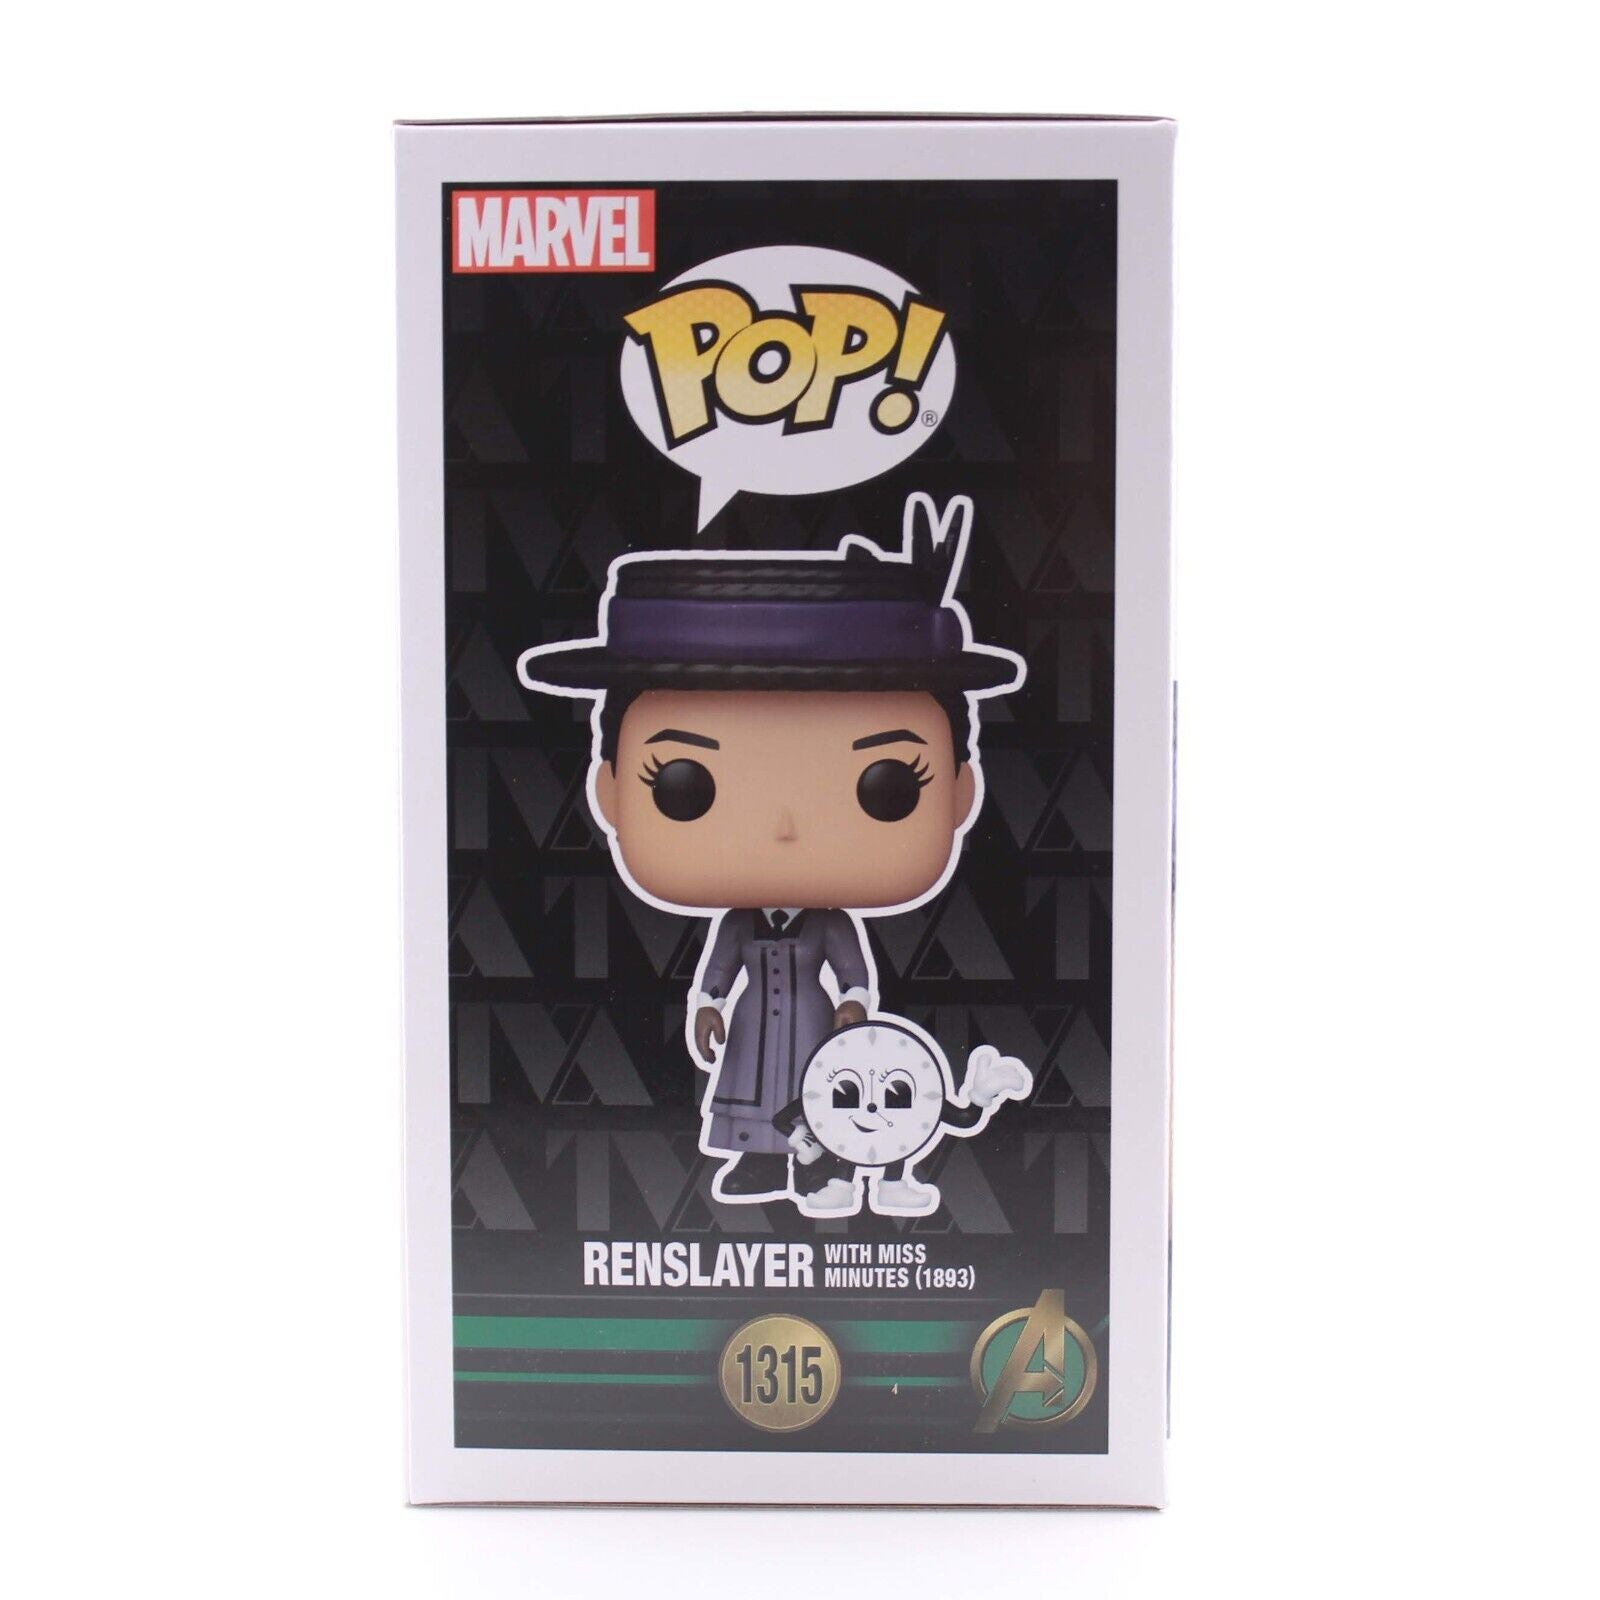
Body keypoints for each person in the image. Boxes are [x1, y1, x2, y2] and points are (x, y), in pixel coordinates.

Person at [517, 493, 1024, 1207]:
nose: (785, 827)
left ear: (960, 793)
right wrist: (707, 1004)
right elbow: (718, 971)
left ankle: (815, 1165)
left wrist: (854, 1005)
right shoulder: (736, 925)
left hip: (816, 1024)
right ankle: (757, 1161)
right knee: (749, 1084)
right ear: (610, 792)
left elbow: (853, 975)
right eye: (685, 786)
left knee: (820, 1088)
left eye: (887, 787)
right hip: (754, 1022)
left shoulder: (831, 924)